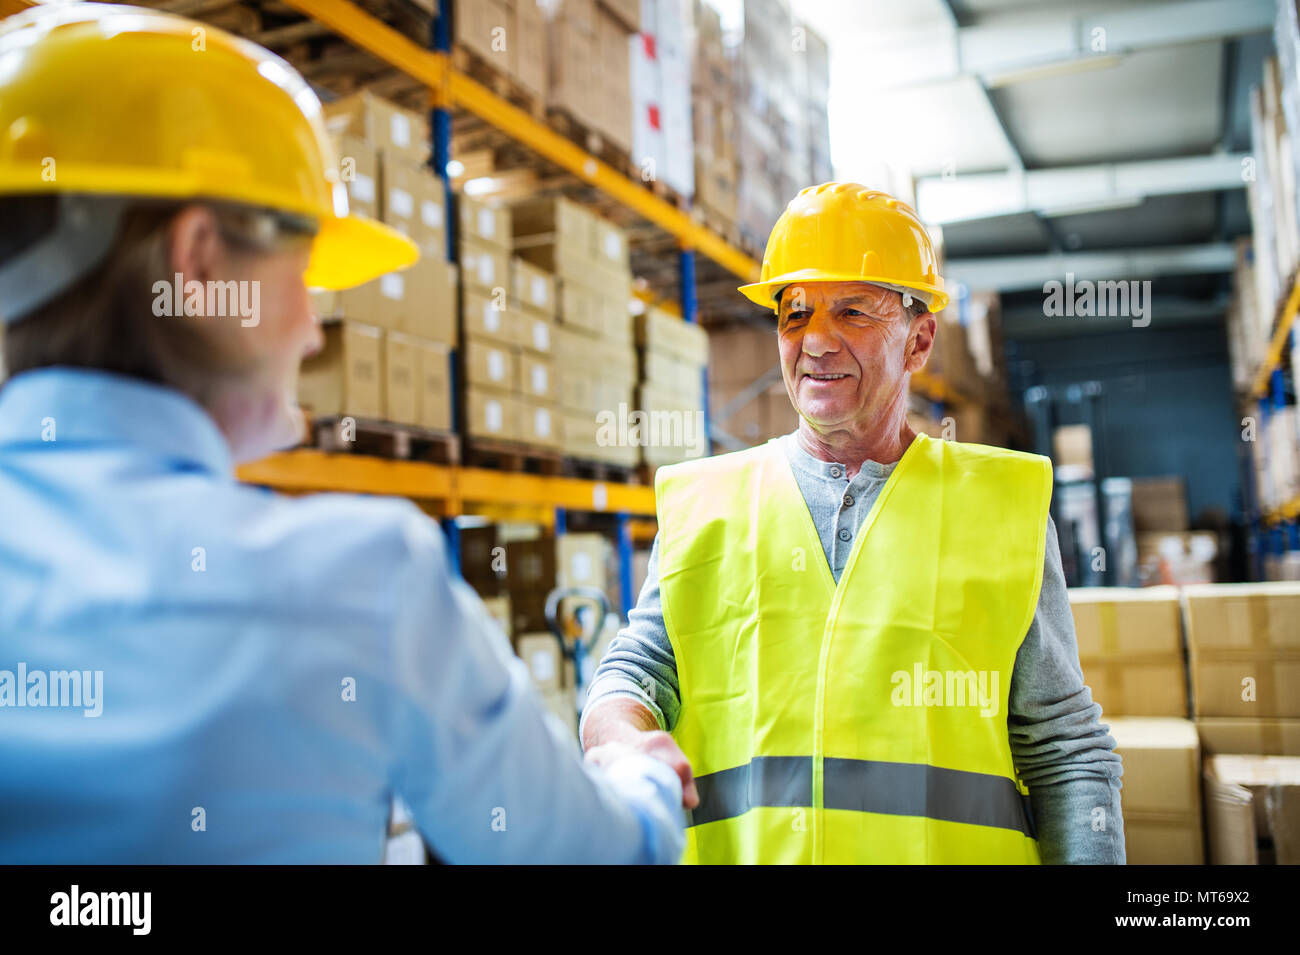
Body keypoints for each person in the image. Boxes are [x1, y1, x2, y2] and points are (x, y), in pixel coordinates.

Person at [0, 3, 683, 864]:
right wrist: (639, 774)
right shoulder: (357, 584)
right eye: (306, 276)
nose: (315, 332)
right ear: (201, 262)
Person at [581, 183, 1126, 864]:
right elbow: (632, 673)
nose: (816, 340)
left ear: (919, 338)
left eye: (852, 311)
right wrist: (622, 736)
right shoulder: (707, 504)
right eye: (795, 313)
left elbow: (1065, 751)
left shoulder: (1000, 508)